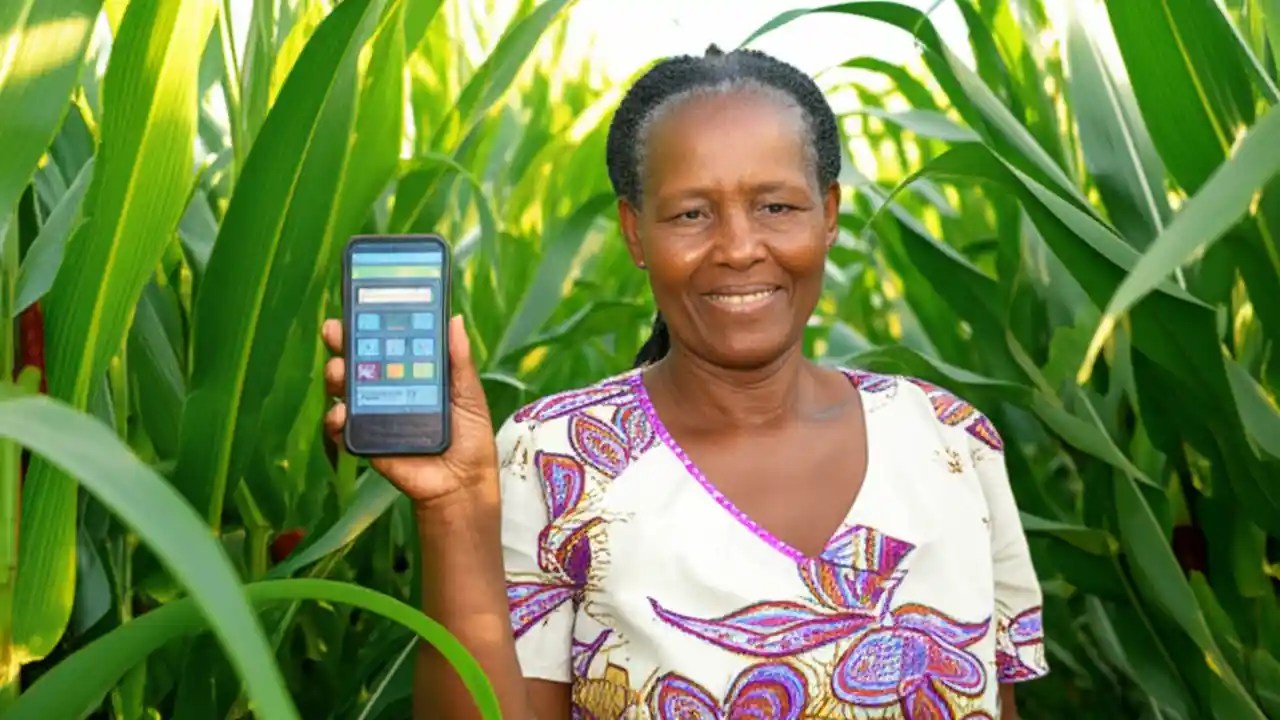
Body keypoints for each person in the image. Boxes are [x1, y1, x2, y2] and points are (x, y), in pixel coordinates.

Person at [321, 45, 1048, 720]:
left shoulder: (950, 442)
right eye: (692, 214)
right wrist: (453, 507)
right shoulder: (557, 456)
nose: (738, 248)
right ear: (636, 234)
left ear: (828, 214)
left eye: (776, 207)